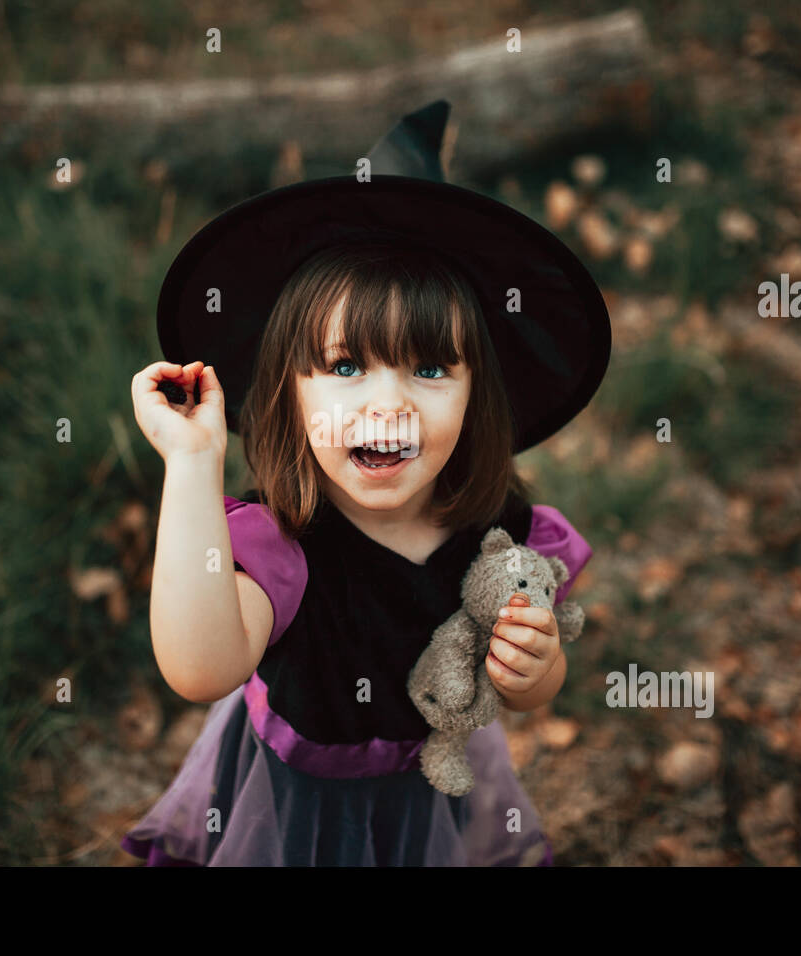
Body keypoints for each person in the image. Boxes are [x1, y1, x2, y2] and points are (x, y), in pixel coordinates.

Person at [123, 101, 611, 866]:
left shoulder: (495, 531)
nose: (389, 405)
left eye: (429, 369)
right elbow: (199, 669)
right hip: (294, 819)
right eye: (346, 367)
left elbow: (531, 691)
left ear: (477, 394)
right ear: (289, 392)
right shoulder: (279, 541)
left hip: (436, 798)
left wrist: (535, 667)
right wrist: (191, 464)